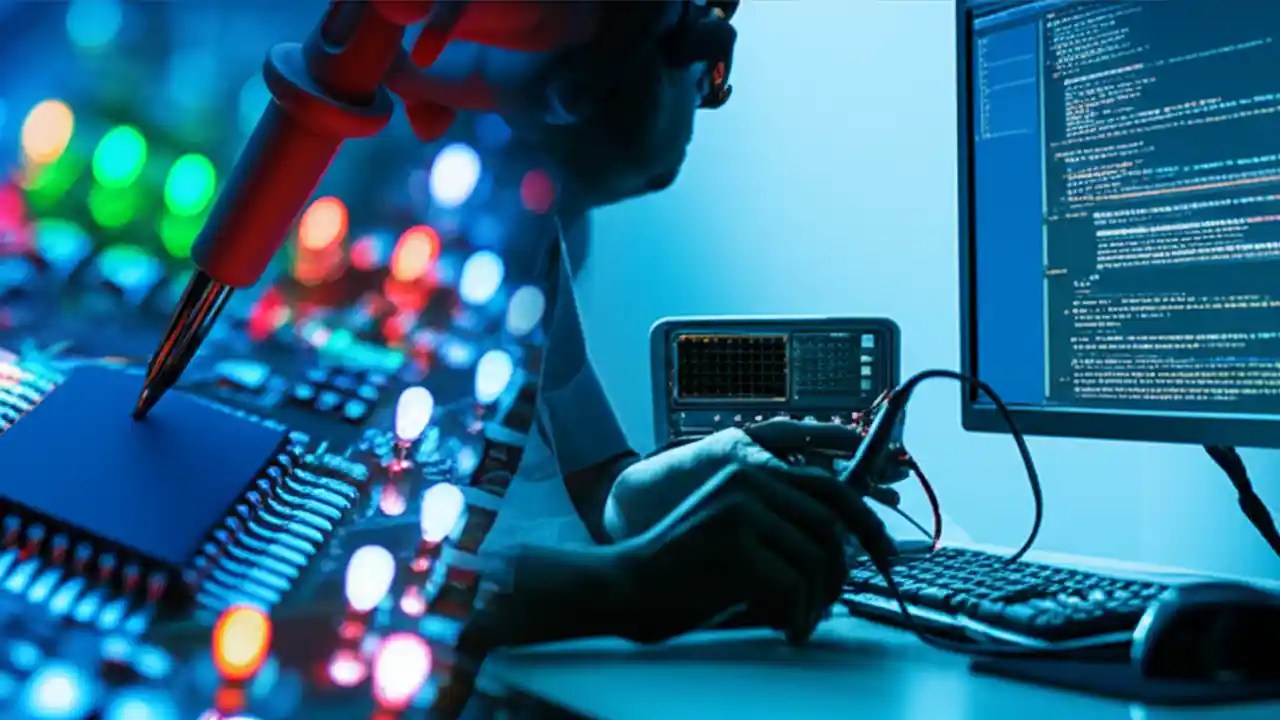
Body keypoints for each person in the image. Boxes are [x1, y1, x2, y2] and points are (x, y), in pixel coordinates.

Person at [379, 0, 894, 685]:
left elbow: (595, 493)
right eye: (708, 69)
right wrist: (624, 587)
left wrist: (716, 462)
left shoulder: (530, 232)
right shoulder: (376, 222)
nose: (705, 95)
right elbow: (326, 574)